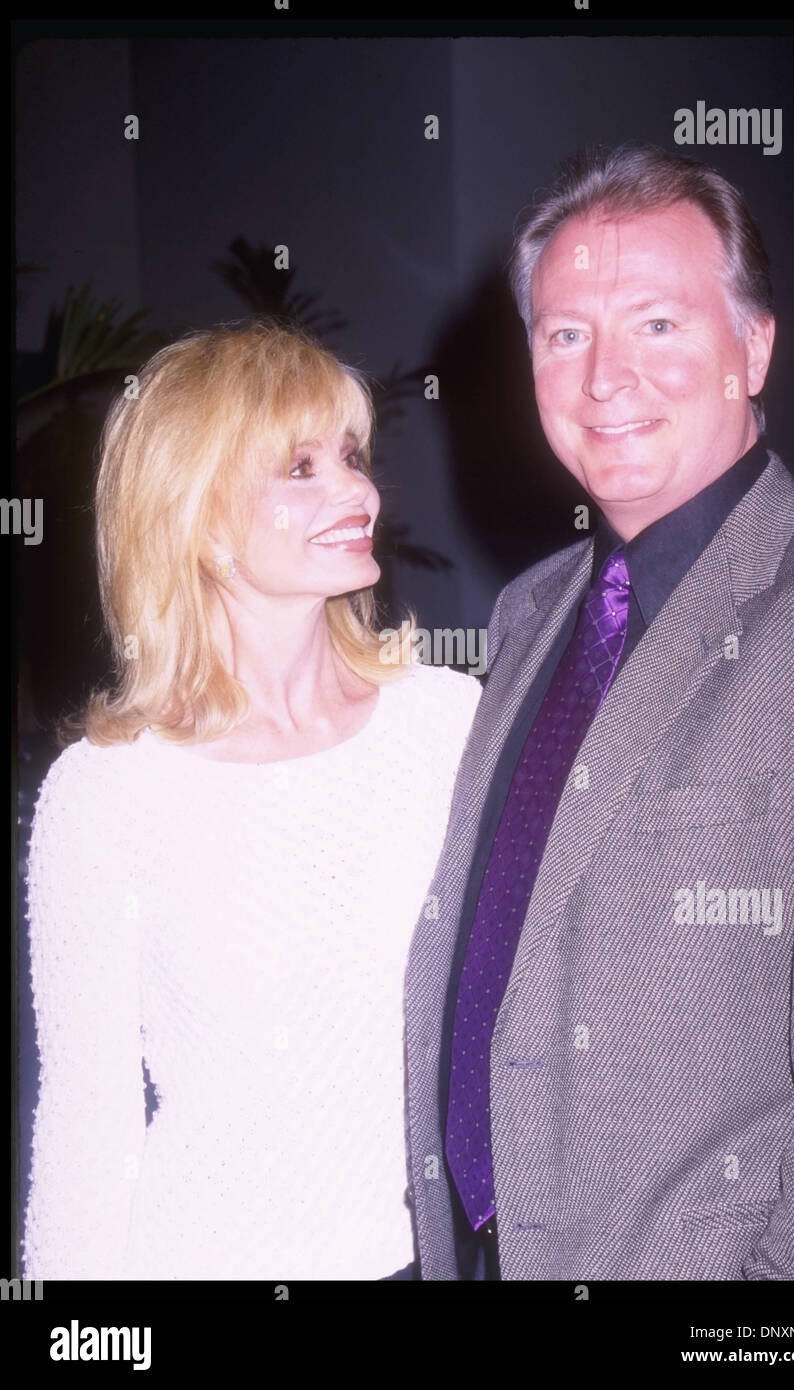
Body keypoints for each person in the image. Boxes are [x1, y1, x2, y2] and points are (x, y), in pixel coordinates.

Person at [403, 144, 794, 1280]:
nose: (604, 377)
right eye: (564, 335)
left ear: (750, 347)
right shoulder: (525, 616)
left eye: (655, 324)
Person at [21, 319, 480, 1280]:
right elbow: (86, 1138)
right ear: (198, 517)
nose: (356, 489)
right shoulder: (105, 798)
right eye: (299, 468)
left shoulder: (444, 726)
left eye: (351, 456)